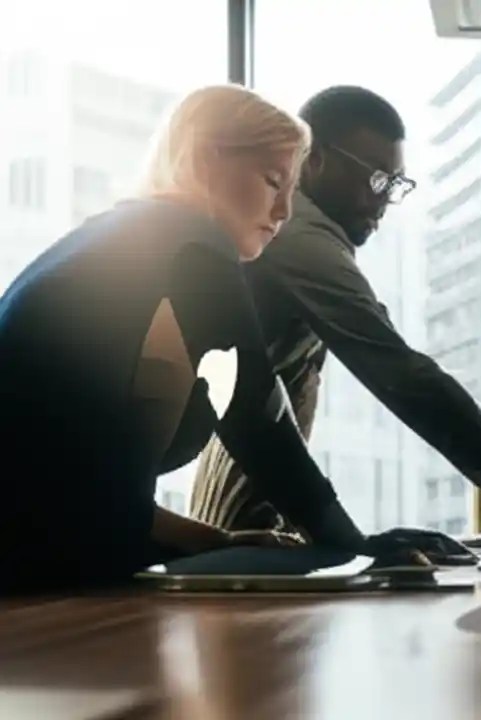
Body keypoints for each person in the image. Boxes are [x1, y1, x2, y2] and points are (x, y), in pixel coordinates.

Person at [188, 86, 481, 547]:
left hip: (245, 522)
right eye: (377, 180)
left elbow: (259, 413)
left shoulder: (295, 240)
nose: (383, 202)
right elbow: (403, 375)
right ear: (313, 160)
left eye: (394, 186)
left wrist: (342, 545)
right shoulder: (297, 237)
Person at [0, 84, 374, 592]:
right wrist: (354, 545)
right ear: (203, 161)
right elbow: (251, 407)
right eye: (272, 181)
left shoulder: (115, 239)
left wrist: (213, 540)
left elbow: (76, 478)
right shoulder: (190, 239)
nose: (285, 211)